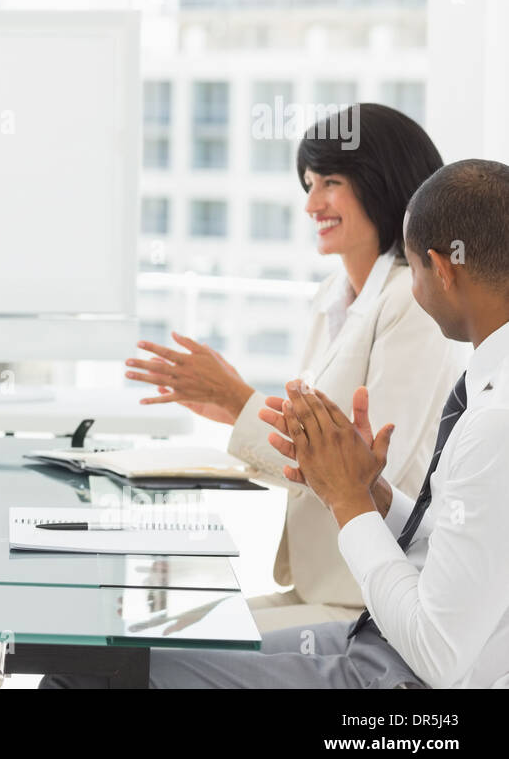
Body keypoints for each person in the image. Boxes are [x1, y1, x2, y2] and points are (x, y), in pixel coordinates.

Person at [43, 158, 509, 689]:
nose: (313, 203)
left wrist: (346, 498)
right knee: (100, 658)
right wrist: (369, 491)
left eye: (414, 266)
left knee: (94, 673)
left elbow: (439, 655)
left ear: (441, 268)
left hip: (397, 677)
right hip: (376, 638)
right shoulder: (489, 388)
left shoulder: (495, 422)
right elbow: (460, 542)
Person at [124, 103, 465, 631]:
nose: (311, 204)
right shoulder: (335, 297)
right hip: (318, 585)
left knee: (160, 653)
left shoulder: (411, 303)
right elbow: (313, 443)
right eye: (308, 183)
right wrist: (230, 408)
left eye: (329, 181)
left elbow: (367, 466)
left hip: (368, 603)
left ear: (383, 182)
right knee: (153, 636)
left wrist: (241, 400)